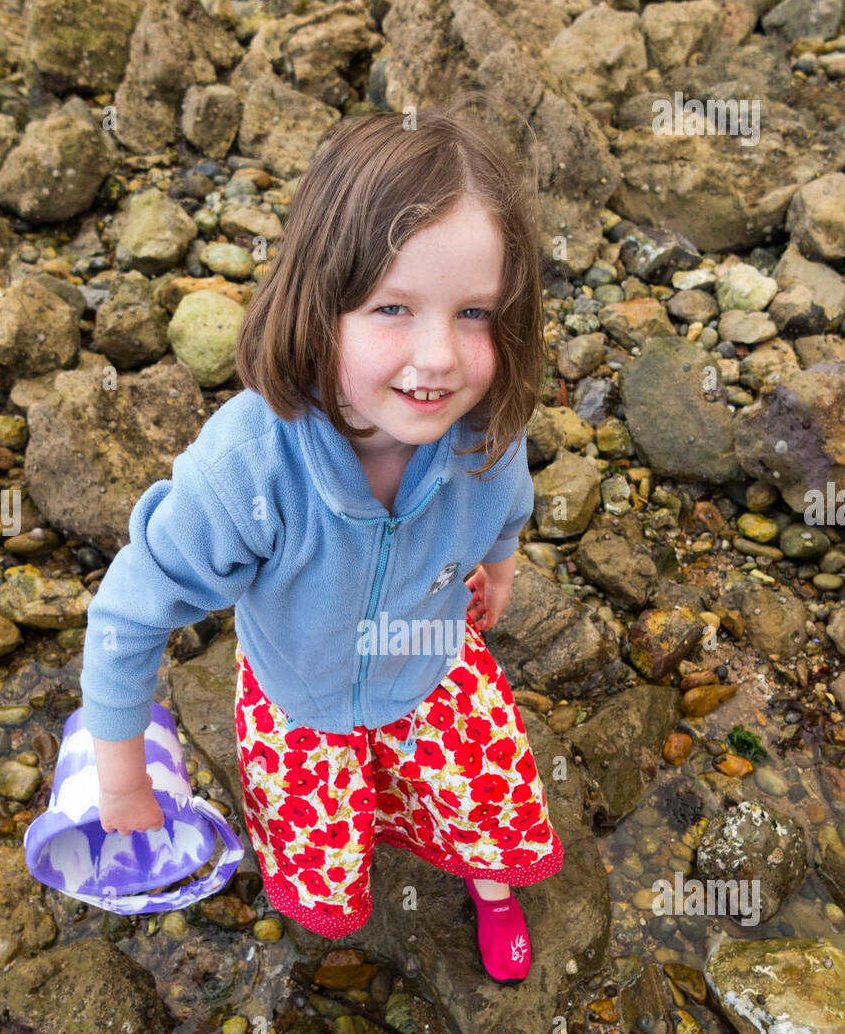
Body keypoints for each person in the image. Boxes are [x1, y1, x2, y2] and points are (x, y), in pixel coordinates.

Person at [80, 98, 564, 984]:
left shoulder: (484, 430)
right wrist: (120, 775)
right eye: (391, 307)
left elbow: (510, 502)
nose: (439, 358)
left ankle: (490, 882)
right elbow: (127, 612)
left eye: (473, 313)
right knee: (324, 835)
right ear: (318, 302)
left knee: (479, 802)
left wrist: (499, 568)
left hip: (430, 667)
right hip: (302, 704)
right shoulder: (249, 470)